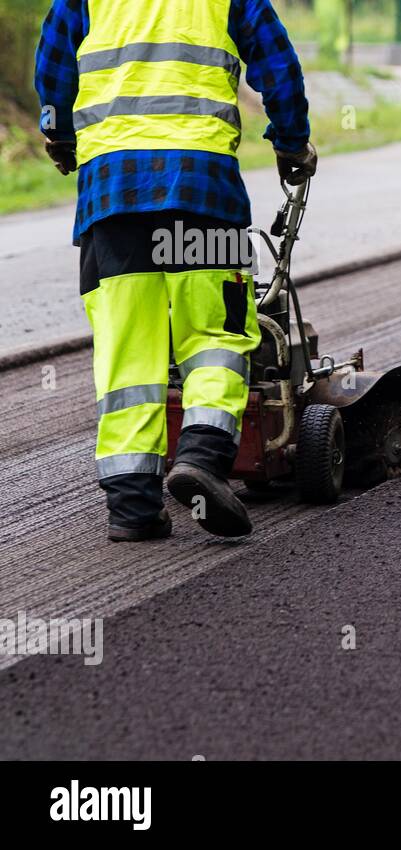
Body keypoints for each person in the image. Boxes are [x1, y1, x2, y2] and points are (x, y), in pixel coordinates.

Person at [35, 0, 317, 542]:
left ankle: (133, 509)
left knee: (128, 355)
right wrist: (290, 141)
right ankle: (203, 458)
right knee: (215, 334)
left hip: (111, 199)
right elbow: (277, 64)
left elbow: (53, 68)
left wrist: (63, 136)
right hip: (203, 189)